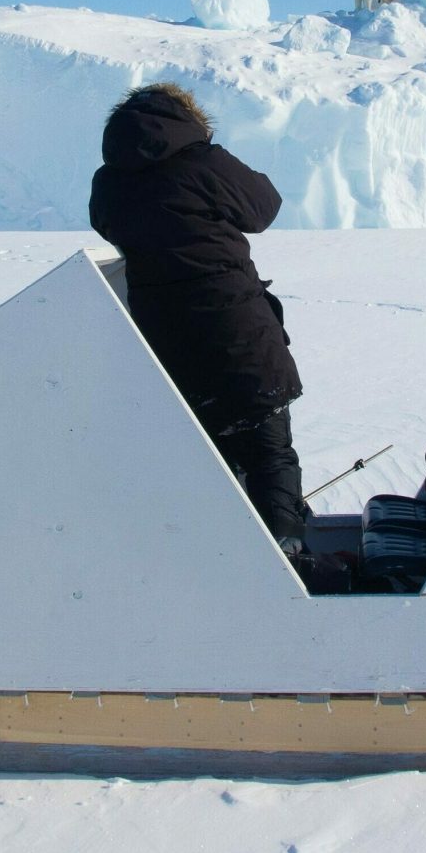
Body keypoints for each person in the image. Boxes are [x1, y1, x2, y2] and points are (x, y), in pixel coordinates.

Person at [89, 83, 307, 547]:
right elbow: (264, 206)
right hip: (239, 334)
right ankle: (290, 564)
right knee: (269, 456)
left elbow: (105, 224)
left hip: (166, 344)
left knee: (208, 468)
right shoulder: (204, 163)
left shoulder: (108, 182)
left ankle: (221, 568)